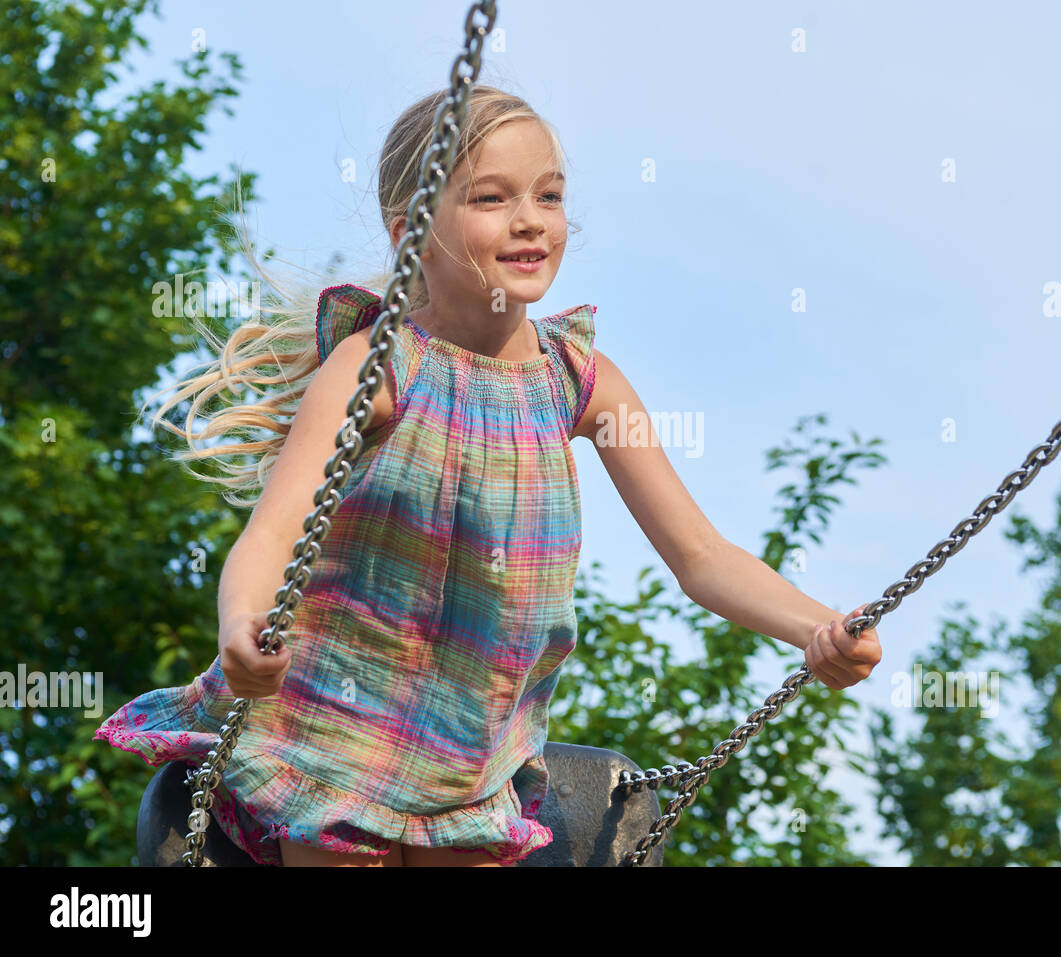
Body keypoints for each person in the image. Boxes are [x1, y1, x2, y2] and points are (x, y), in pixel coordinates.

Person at [93, 84, 882, 867]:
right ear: (413, 237)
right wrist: (241, 627)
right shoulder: (374, 368)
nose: (531, 217)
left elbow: (701, 555)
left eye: (549, 194)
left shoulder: (583, 382)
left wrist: (815, 627)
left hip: (471, 750)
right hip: (330, 722)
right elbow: (271, 533)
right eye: (491, 197)